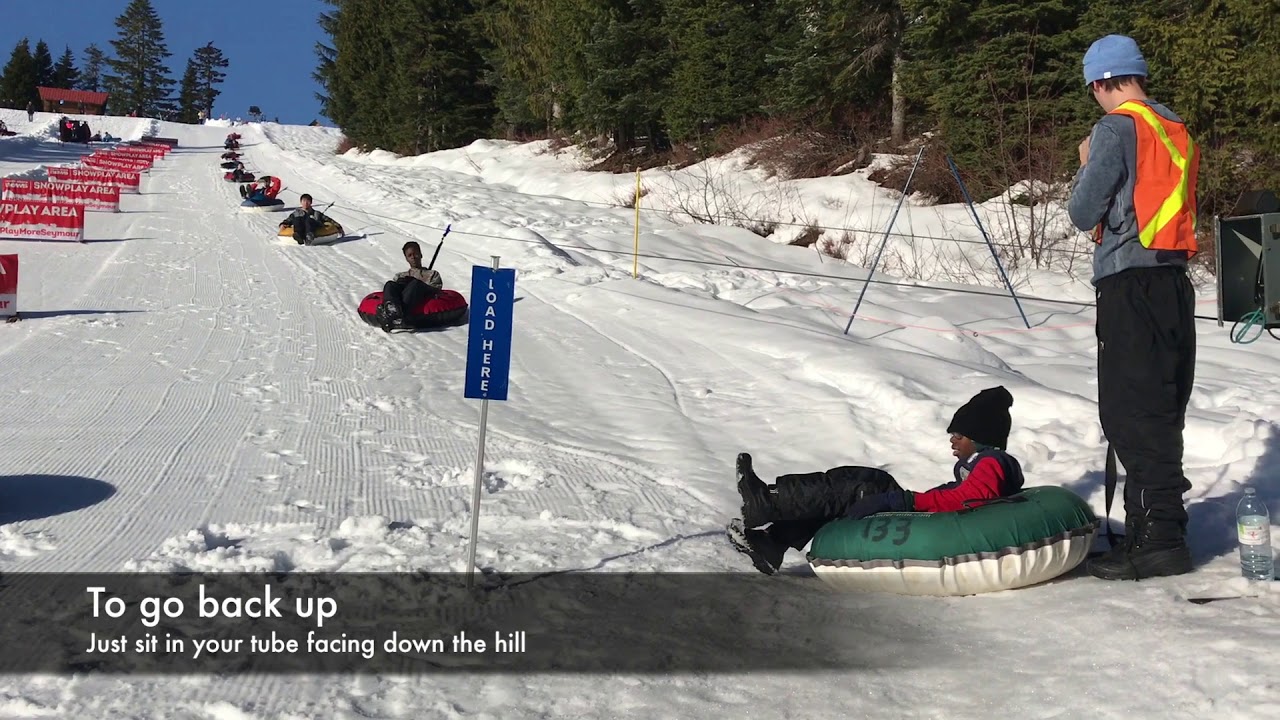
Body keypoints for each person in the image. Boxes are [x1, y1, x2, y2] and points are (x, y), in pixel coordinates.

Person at [1066, 35, 1198, 581]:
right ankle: (1158, 529)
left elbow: (1083, 211)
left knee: (1130, 411)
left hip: (1129, 285)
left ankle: (1158, 540)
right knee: (1160, 407)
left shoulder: (1114, 129)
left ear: (1101, 82)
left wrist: (1084, 164)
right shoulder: (1174, 128)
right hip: (1174, 283)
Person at [726, 387, 1024, 575]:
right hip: (928, 518)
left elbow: (969, 500)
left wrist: (906, 499)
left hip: (926, 525)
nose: (952, 440)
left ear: (981, 437)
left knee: (864, 485)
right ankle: (773, 541)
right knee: (851, 495)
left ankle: (770, 501)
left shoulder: (991, 462)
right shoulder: (981, 463)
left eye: (959, 435)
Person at [376, 241, 444, 331]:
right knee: (390, 284)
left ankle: (398, 316)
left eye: (415, 254)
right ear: (406, 259)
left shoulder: (432, 274)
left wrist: (417, 284)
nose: (413, 257)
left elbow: (436, 289)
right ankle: (391, 311)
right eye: (410, 255)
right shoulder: (401, 275)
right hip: (403, 296)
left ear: (421, 255)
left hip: (420, 297)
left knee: (415, 284)